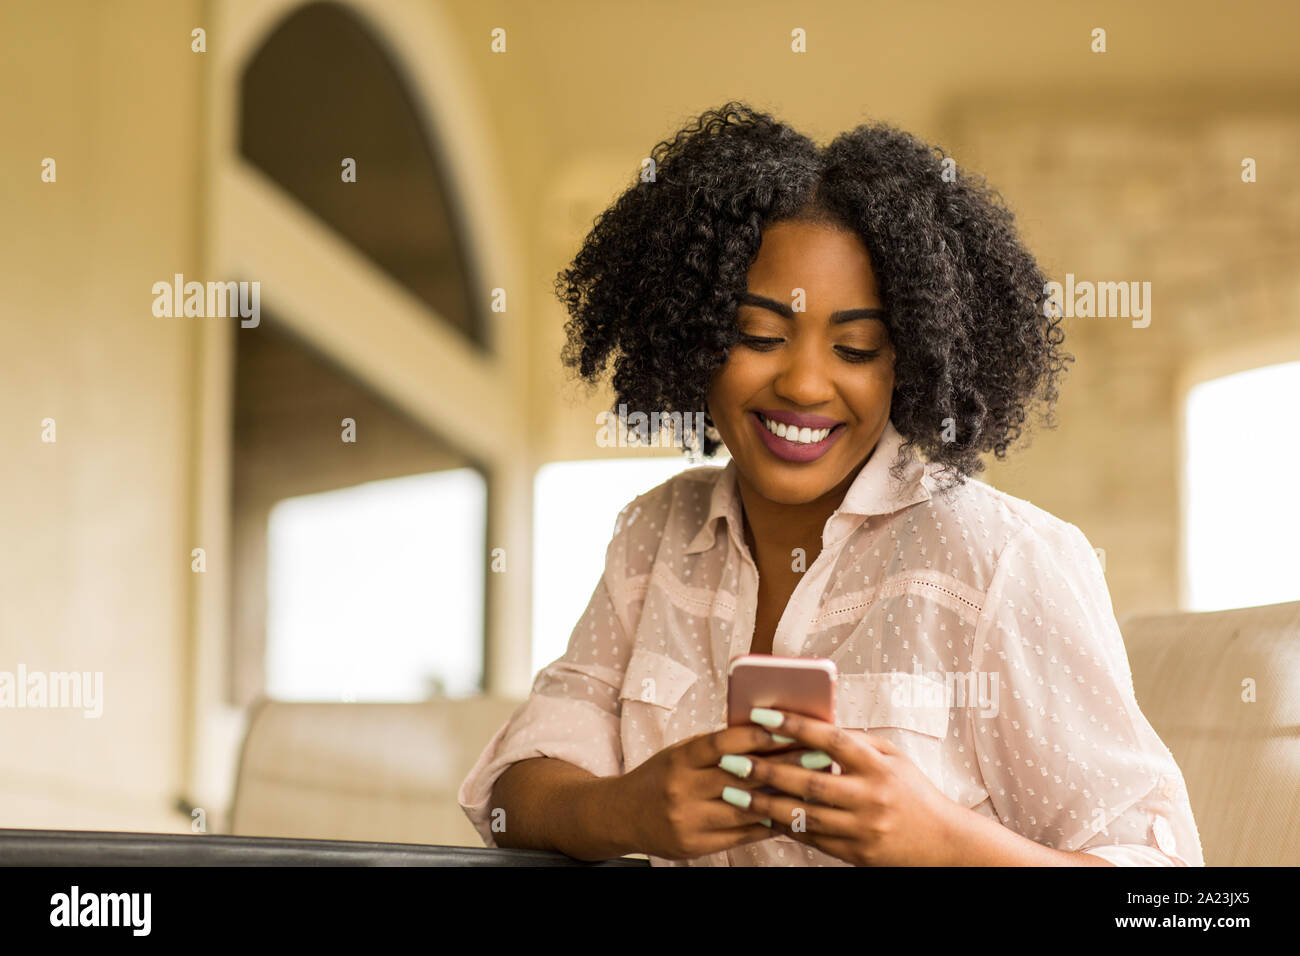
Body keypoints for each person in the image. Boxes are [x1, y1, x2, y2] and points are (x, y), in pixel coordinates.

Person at [456, 101, 1203, 866]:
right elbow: (516, 795)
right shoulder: (656, 535)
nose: (806, 384)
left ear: (907, 362)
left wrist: (940, 843)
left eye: (854, 347)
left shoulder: (1002, 560)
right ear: (693, 335)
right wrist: (627, 810)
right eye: (759, 336)